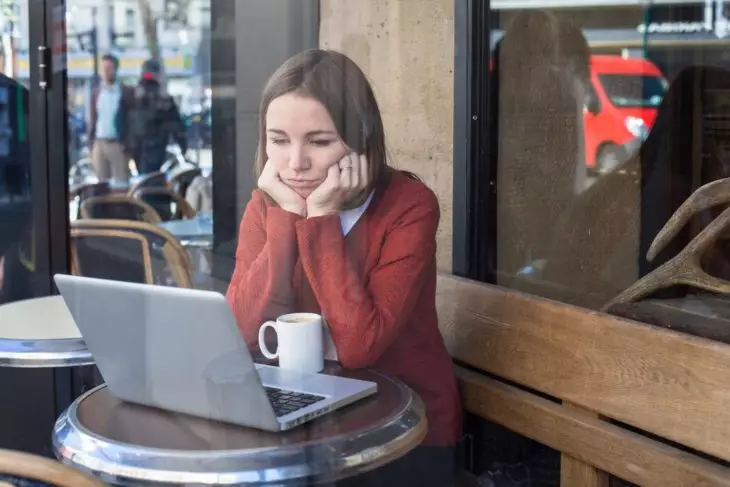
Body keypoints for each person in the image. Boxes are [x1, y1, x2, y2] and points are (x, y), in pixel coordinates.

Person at [226, 49, 462, 486]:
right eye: (278, 140)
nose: (295, 163)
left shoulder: (409, 205)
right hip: (306, 425)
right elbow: (241, 331)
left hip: (402, 429)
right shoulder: (267, 204)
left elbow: (359, 345)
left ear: (360, 138)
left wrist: (321, 218)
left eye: (319, 141)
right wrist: (285, 219)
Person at [127, 59, 187, 175]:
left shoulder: (134, 97)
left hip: (138, 145)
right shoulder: (163, 98)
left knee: (144, 176)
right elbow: (176, 124)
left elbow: (125, 120)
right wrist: (182, 144)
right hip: (156, 144)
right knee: (153, 177)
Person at [87, 53, 134, 182]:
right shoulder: (97, 93)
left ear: (116, 70)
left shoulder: (125, 92)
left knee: (121, 181)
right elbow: (93, 119)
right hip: (99, 142)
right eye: (104, 69)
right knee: (101, 183)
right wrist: (91, 144)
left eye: (109, 68)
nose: (106, 72)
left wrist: (128, 144)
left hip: (117, 143)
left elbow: (131, 120)